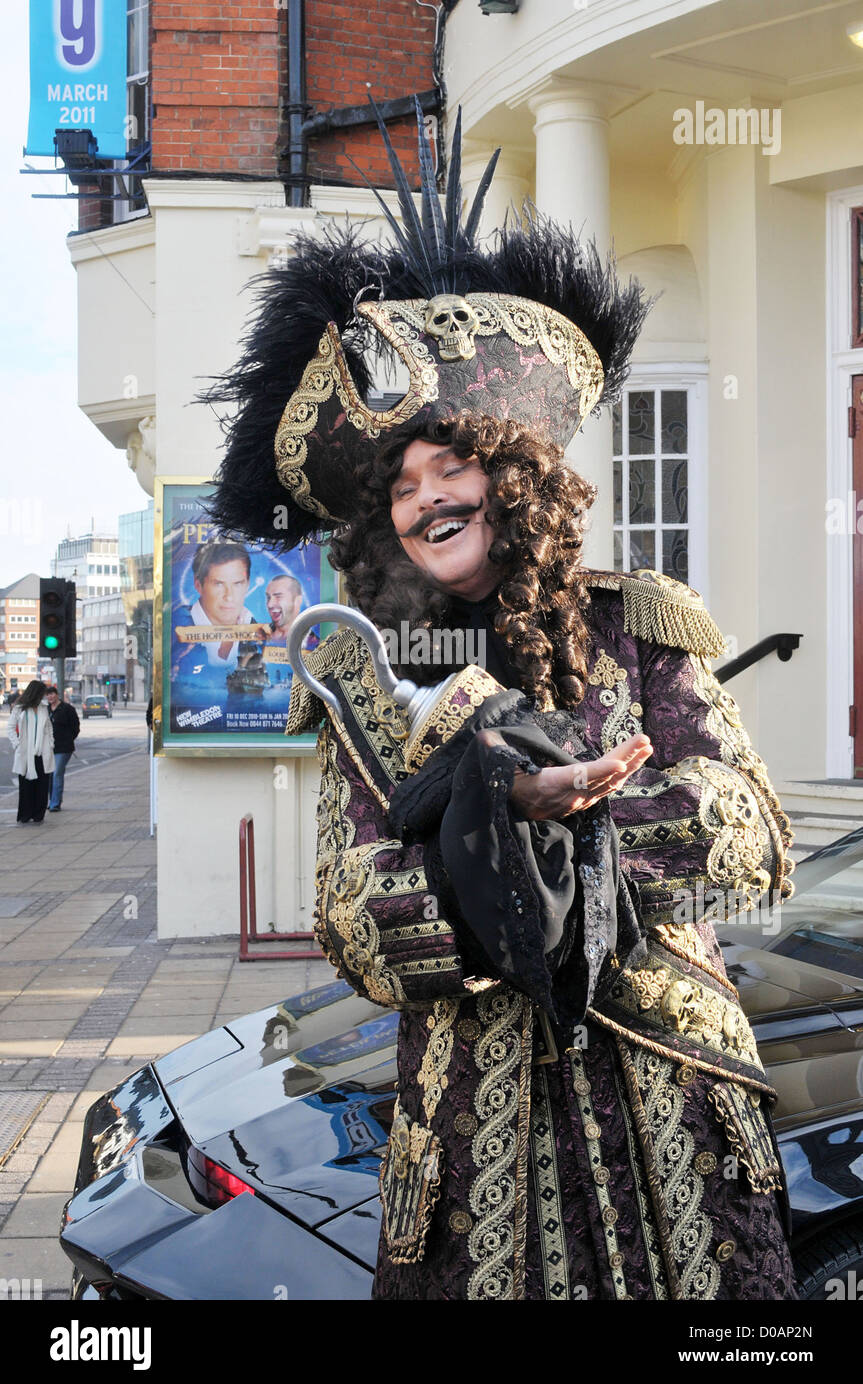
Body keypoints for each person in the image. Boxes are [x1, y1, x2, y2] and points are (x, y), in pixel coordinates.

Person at [205, 105, 797, 1301]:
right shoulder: (365, 684)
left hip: (669, 1103)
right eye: (400, 484)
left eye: (449, 464)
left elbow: (749, 827)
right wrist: (504, 821)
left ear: (509, 468)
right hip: (473, 1136)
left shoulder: (640, 623)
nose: (426, 499)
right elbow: (355, 922)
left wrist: (567, 816)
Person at [171, 540, 257, 678]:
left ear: (247, 584)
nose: (229, 596)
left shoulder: (259, 631)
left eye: (237, 583)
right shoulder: (174, 629)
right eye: (218, 584)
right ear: (198, 585)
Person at [8, 680, 54, 825]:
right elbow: (10, 728)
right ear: (35, 693)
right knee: (26, 786)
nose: (44, 697)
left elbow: (48, 728)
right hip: (26, 753)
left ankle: (38, 814)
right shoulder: (19, 708)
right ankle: (25, 814)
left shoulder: (43, 708)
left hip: (41, 752)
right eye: (41, 693)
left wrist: (51, 743)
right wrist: (17, 745)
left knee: (42, 785)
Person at [45, 686, 80, 812]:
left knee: (57, 773)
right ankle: (52, 800)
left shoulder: (67, 709)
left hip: (64, 748)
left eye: (52, 694)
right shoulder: (46, 710)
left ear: (57, 694)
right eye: (48, 695)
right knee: (49, 775)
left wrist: (69, 738)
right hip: (49, 748)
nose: (50, 697)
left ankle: (55, 803)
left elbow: (75, 727)